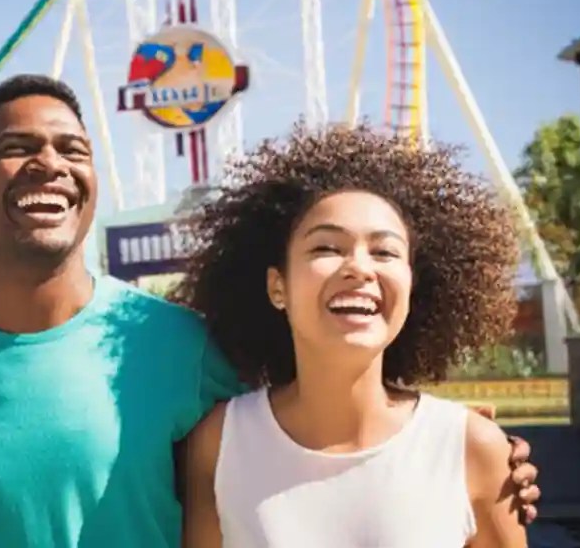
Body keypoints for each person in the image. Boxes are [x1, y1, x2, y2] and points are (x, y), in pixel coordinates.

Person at [0, 75, 541, 547]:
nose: (49, 164)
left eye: (73, 149)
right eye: (17, 148)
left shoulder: (180, 344)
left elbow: (322, 413)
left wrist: (459, 445)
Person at [177, 124, 528, 547]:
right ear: (277, 287)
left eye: (384, 252)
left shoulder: (474, 449)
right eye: (327, 248)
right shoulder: (219, 445)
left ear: (413, 287)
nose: (359, 268)